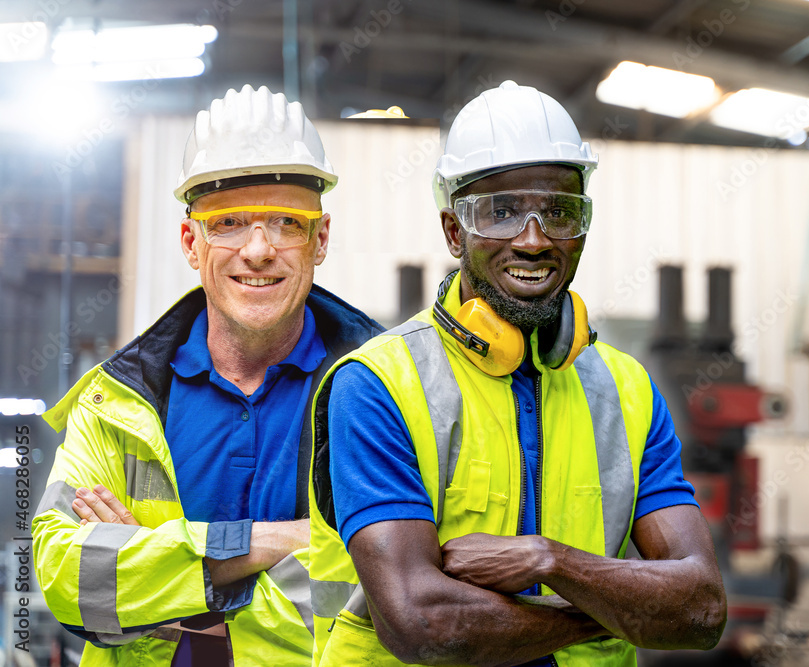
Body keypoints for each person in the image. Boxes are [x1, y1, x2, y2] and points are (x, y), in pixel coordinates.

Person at [309, 80, 726, 666]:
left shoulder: (627, 392)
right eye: (501, 212)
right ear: (455, 231)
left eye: (558, 212)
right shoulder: (379, 387)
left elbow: (700, 611)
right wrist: (617, 613)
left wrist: (547, 560)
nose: (533, 240)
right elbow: (421, 623)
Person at [32, 84, 382, 666]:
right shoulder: (117, 399)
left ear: (319, 239)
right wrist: (276, 541)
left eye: (286, 223)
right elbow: (70, 579)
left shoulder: (382, 391)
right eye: (230, 223)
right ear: (191, 241)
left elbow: (385, 598)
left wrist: (167, 597)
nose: (259, 249)